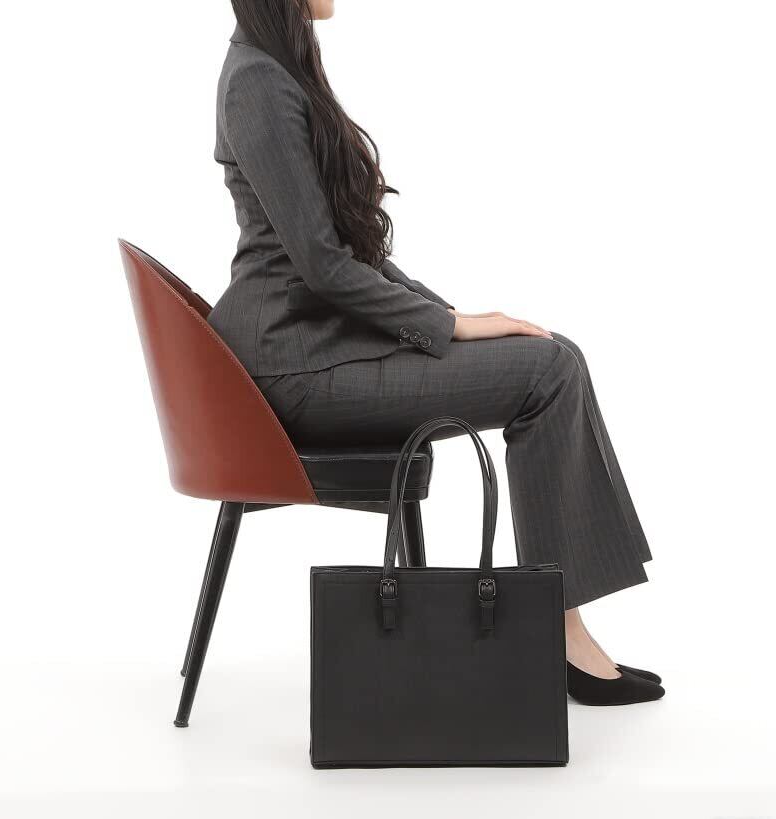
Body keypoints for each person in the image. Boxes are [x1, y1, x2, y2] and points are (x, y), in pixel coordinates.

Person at [208, 0, 664, 706]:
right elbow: (323, 267)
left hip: (312, 346)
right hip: (295, 369)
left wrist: (450, 318)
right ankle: (562, 634)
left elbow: (348, 254)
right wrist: (446, 327)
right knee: (549, 369)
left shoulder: (274, 64)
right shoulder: (256, 80)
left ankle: (564, 627)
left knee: (554, 354)